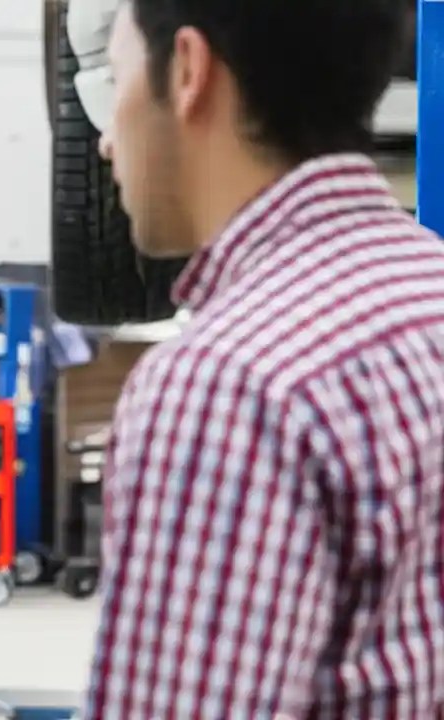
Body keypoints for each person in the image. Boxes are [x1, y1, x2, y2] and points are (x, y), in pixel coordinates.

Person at [82, 0, 444, 718]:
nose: (104, 144)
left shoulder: (230, 384)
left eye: (114, 82)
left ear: (188, 71)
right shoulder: (426, 293)